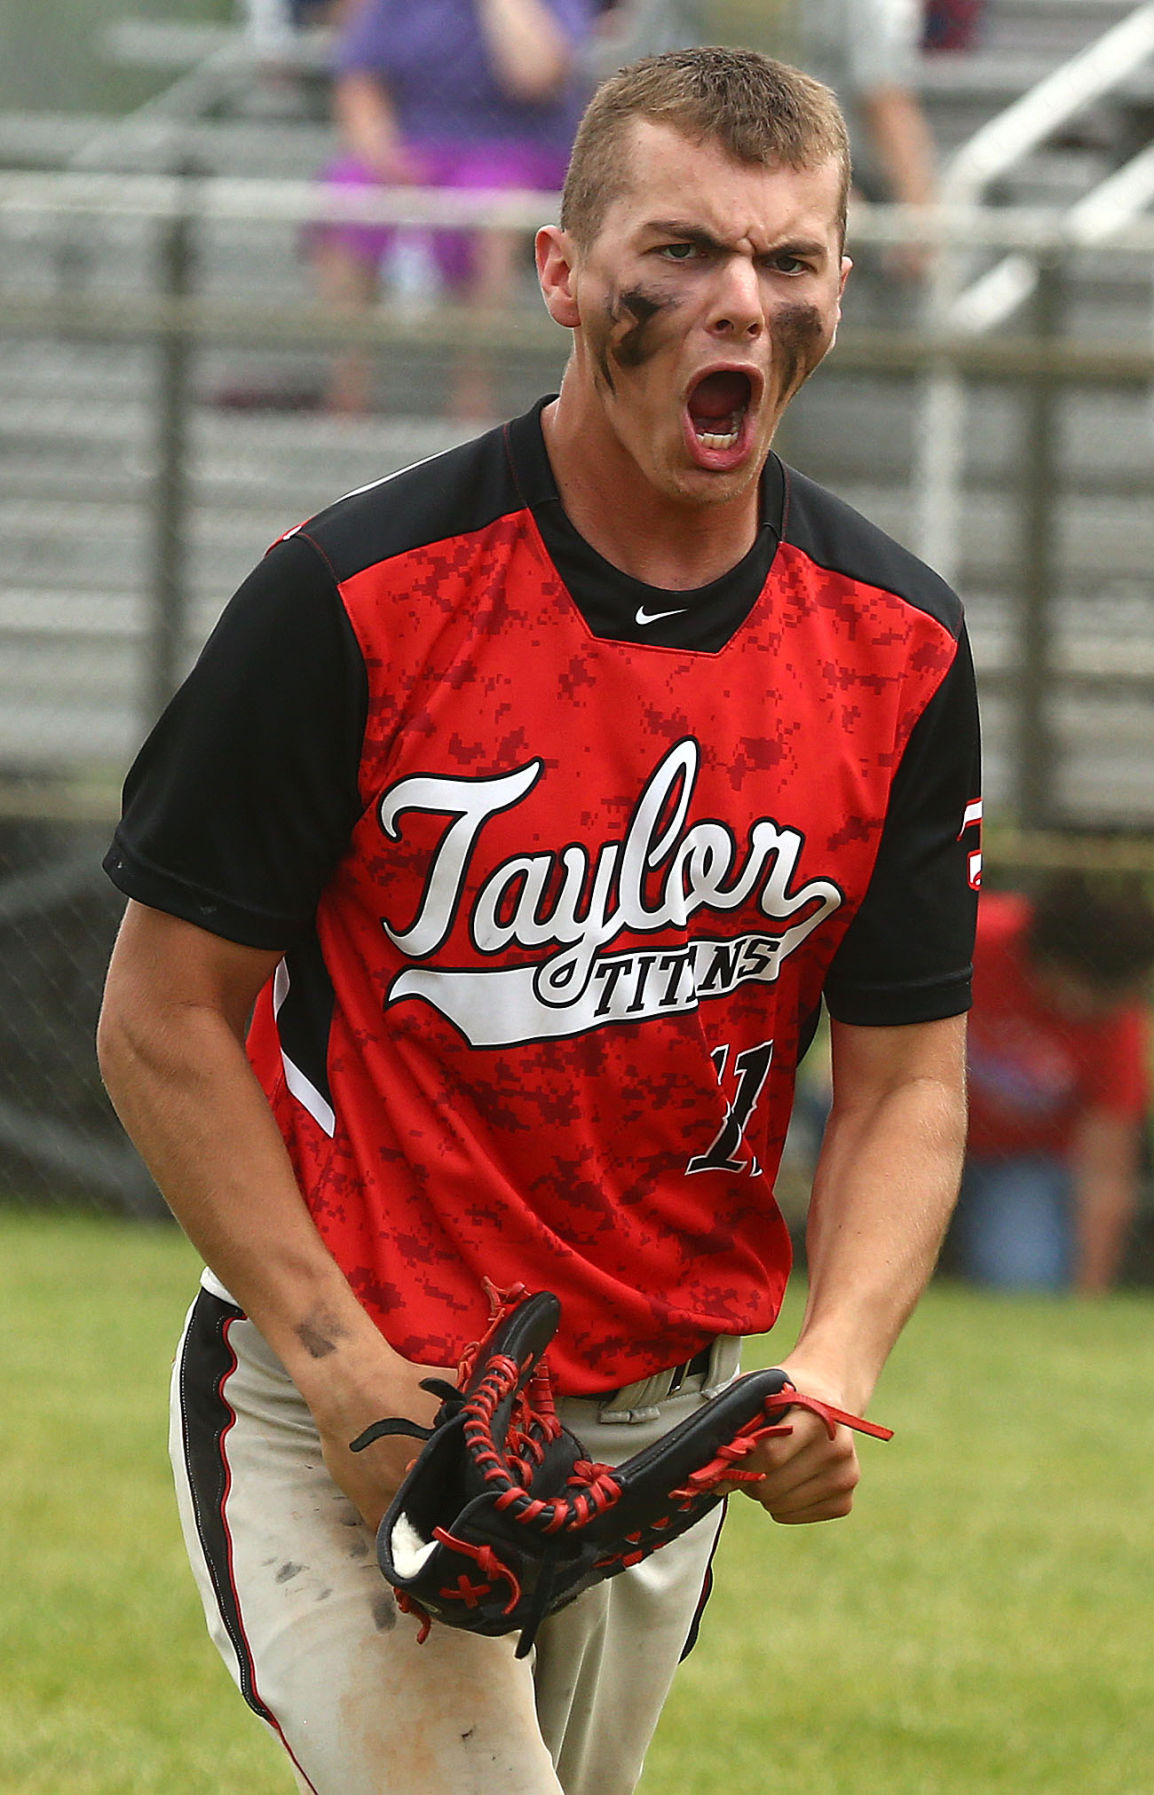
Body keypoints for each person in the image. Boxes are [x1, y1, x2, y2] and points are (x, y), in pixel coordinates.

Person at [97, 47, 981, 1795]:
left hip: (662, 1416)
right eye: (680, 251)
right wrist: (342, 1370)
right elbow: (160, 1016)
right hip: (356, 1375)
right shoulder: (353, 598)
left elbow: (905, 1086)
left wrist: (830, 1360)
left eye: (786, 262)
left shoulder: (894, 644)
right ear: (562, 272)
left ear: (835, 290)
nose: (738, 301)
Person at [310, 0, 598, 415]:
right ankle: (347, 397)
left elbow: (534, 74)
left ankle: (472, 402)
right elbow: (360, 83)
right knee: (346, 196)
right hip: (413, 151)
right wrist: (383, 156)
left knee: (494, 213)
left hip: (516, 152)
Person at [600, 0, 939, 274]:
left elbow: (884, 96)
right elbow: (636, 88)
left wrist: (916, 222)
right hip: (698, 167)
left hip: (837, 180)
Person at [952, 877, 1154, 1294]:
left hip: (1017, 1162)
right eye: (1093, 994)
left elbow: (1105, 1172)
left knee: (1023, 1282)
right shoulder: (969, 937)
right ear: (1050, 963)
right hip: (910, 1129)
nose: (1100, 1010)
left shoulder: (1116, 1022)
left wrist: (1088, 1292)